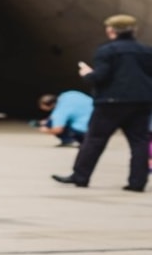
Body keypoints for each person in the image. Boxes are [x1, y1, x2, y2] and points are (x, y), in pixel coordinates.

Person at [53, 15, 152, 192]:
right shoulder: (146, 51)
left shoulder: (107, 51)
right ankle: (137, 182)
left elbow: (100, 77)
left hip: (110, 103)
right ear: (133, 31)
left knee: (95, 139)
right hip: (141, 101)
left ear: (110, 30)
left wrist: (86, 74)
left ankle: (80, 176)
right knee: (139, 142)